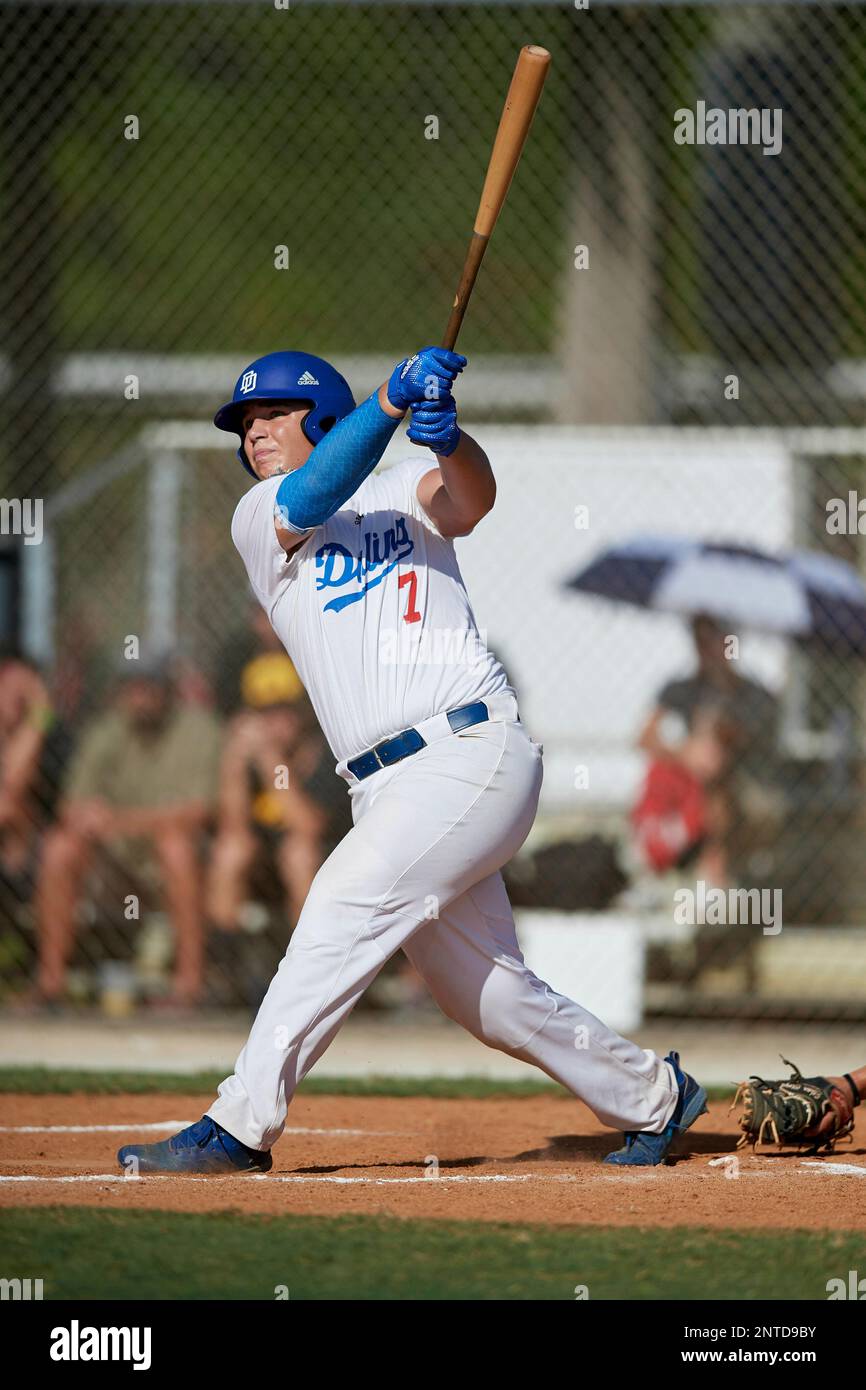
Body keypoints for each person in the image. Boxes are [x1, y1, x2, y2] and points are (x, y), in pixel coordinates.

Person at [118, 347, 705, 1177]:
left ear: (322, 417)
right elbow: (314, 494)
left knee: (341, 901)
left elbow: (471, 497)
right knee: (487, 996)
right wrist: (394, 399)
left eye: (274, 416)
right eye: (246, 425)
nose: (255, 435)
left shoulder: (402, 490)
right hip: (387, 787)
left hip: (471, 746)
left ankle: (240, 1125)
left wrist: (448, 437)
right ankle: (655, 1096)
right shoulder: (261, 517)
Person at [31, 655, 221, 1008]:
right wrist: (90, 819)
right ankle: (50, 983)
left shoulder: (199, 730)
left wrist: (116, 821)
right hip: (113, 863)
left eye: (149, 687)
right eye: (133, 688)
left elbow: (199, 813)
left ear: (167, 691)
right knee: (60, 848)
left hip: (171, 863)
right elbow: (69, 807)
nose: (141, 697)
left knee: (175, 847)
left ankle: (188, 986)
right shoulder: (105, 731)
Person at [635, 614, 781, 883]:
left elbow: (754, 741)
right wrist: (686, 753)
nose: (706, 649)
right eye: (700, 641)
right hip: (687, 783)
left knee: (721, 790)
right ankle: (709, 874)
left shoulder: (751, 693)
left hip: (739, 781)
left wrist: (721, 737)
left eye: (713, 640)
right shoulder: (681, 689)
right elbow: (645, 737)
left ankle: (717, 873)